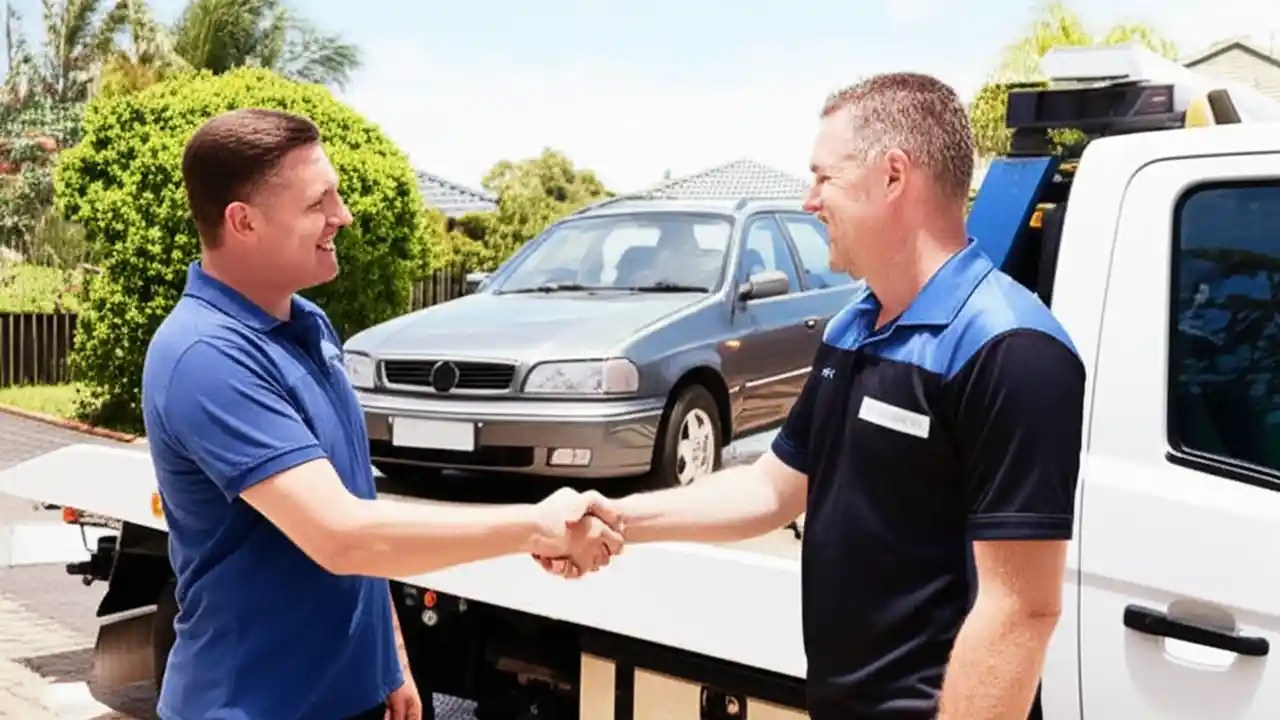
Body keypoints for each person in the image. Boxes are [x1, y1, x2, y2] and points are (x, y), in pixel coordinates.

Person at [539, 73, 1087, 720]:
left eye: (825, 177)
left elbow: (1021, 609)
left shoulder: (1011, 348)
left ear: (892, 176)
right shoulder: (854, 327)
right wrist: (620, 516)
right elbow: (772, 489)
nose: (809, 199)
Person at [140, 108, 622, 720]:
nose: (341, 215)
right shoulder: (206, 355)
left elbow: (357, 502)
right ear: (244, 221)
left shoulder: (307, 325)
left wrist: (388, 655)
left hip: (350, 698)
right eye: (319, 202)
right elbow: (341, 534)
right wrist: (535, 525)